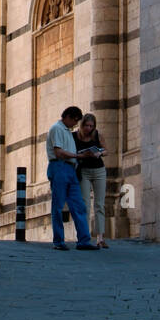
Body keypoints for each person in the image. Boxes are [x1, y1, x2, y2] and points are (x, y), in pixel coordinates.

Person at [45, 106, 100, 251]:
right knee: (58, 206)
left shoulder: (67, 131)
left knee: (79, 205)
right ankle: (58, 241)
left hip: (70, 169)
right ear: (68, 117)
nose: (75, 125)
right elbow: (58, 152)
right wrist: (79, 156)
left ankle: (83, 240)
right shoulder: (57, 128)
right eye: (74, 121)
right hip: (59, 167)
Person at [74, 113, 108, 249]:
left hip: (99, 170)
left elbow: (106, 150)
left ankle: (100, 238)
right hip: (84, 171)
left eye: (91, 126)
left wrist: (99, 153)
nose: (89, 128)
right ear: (82, 125)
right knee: (85, 205)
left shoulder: (97, 135)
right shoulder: (75, 136)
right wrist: (82, 154)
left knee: (99, 204)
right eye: (87, 126)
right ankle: (85, 236)